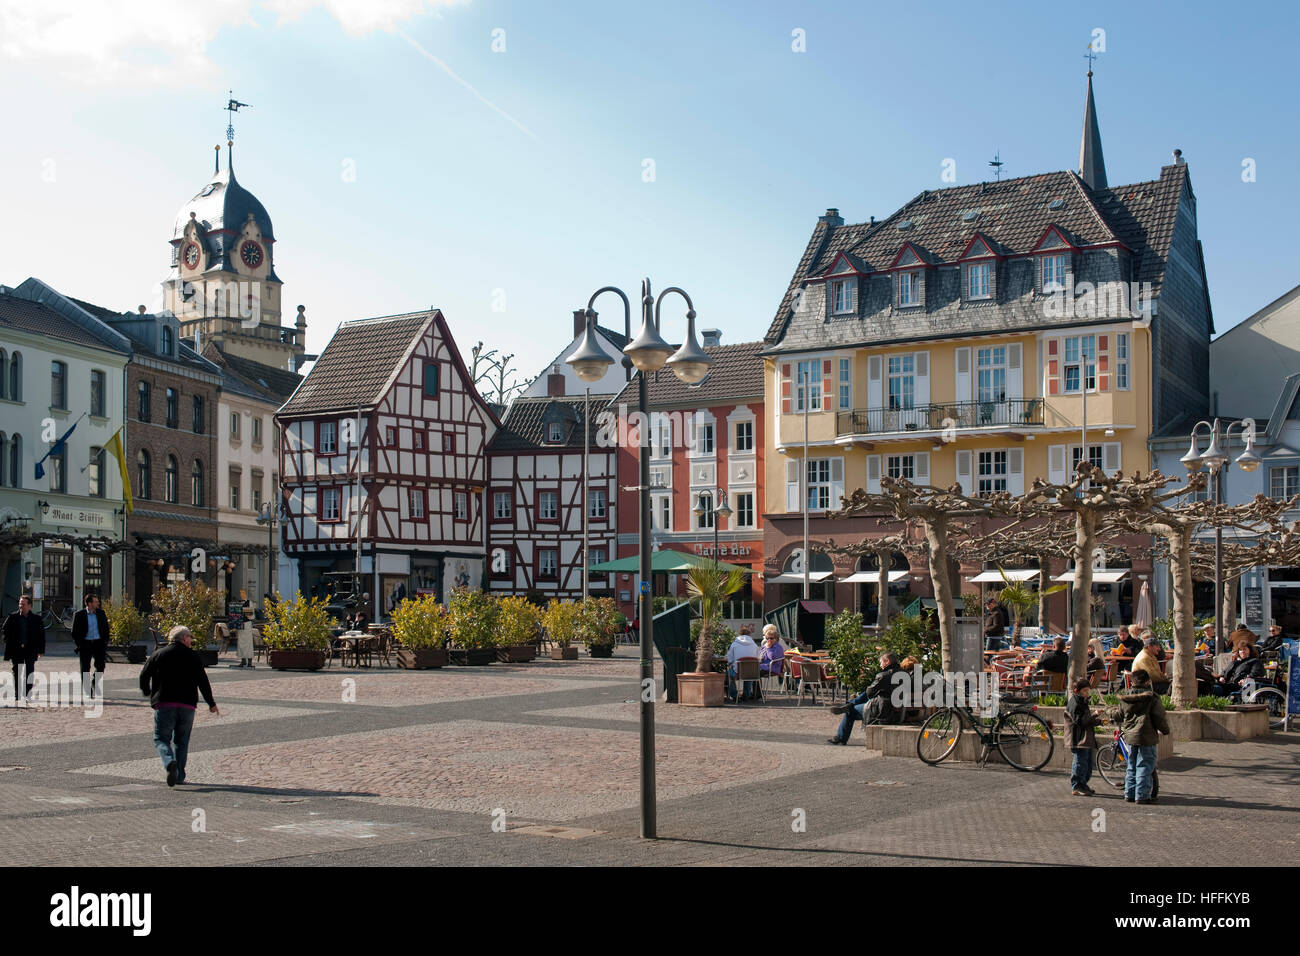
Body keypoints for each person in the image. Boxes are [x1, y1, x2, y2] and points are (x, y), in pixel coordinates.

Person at [139, 625, 221, 786]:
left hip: (165, 703)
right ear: (183, 639)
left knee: (161, 738)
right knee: (182, 741)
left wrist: (147, 691)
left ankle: (169, 762)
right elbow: (202, 681)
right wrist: (211, 703)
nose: (191, 640)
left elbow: (144, 675)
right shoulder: (193, 656)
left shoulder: (158, 654)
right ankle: (179, 775)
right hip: (187, 704)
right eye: (190, 637)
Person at [1108, 669, 1170, 804]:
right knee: (1145, 766)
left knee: (1131, 765)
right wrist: (1165, 730)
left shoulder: (1125, 697)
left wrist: (1109, 712)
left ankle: (1129, 794)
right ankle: (1141, 796)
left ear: (1132, 682)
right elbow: (1159, 717)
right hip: (1146, 737)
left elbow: (1119, 715)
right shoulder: (1152, 697)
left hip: (1130, 737)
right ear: (1148, 681)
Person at [827, 652, 902, 745]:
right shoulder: (904, 673)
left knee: (851, 711)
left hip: (884, 709)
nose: (880, 665)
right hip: (898, 707)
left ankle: (841, 736)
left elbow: (870, 692)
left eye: (881, 662)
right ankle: (850, 704)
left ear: (887, 662)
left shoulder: (884, 675)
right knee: (870, 694)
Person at [1065, 676, 1103, 796]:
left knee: (1086, 763)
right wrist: (1095, 715)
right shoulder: (1075, 703)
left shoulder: (1082, 701)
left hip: (1083, 738)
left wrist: (1098, 720)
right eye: (1085, 691)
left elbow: (1086, 720)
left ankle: (1083, 784)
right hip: (1077, 738)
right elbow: (1081, 721)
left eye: (1088, 690)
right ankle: (1077, 786)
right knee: (1080, 762)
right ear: (1077, 691)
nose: (1087, 693)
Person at [3, 595, 44, 701]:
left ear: (30, 606)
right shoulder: (13, 617)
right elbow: (4, 630)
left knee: (29, 672)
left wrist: (41, 650)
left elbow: (41, 636)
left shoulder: (36, 619)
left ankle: (27, 693)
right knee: (17, 671)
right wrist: (8, 641)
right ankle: (17, 694)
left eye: (23, 604)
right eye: (20, 603)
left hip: (30, 649)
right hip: (16, 650)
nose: (21, 606)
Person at [71, 593, 111, 698]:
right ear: (89, 603)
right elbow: (74, 632)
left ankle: (94, 682)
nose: (98, 603)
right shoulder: (79, 615)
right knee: (85, 668)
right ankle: (87, 690)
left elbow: (106, 629)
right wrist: (79, 644)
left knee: (101, 666)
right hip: (85, 644)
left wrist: (105, 641)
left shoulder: (101, 613)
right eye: (95, 601)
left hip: (98, 643)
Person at [725, 626, 761, 702]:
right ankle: (746, 695)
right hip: (752, 673)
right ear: (750, 635)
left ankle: (734, 695)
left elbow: (730, 660)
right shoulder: (754, 645)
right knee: (749, 672)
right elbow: (758, 659)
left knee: (727, 674)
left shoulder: (734, 644)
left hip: (737, 672)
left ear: (739, 634)